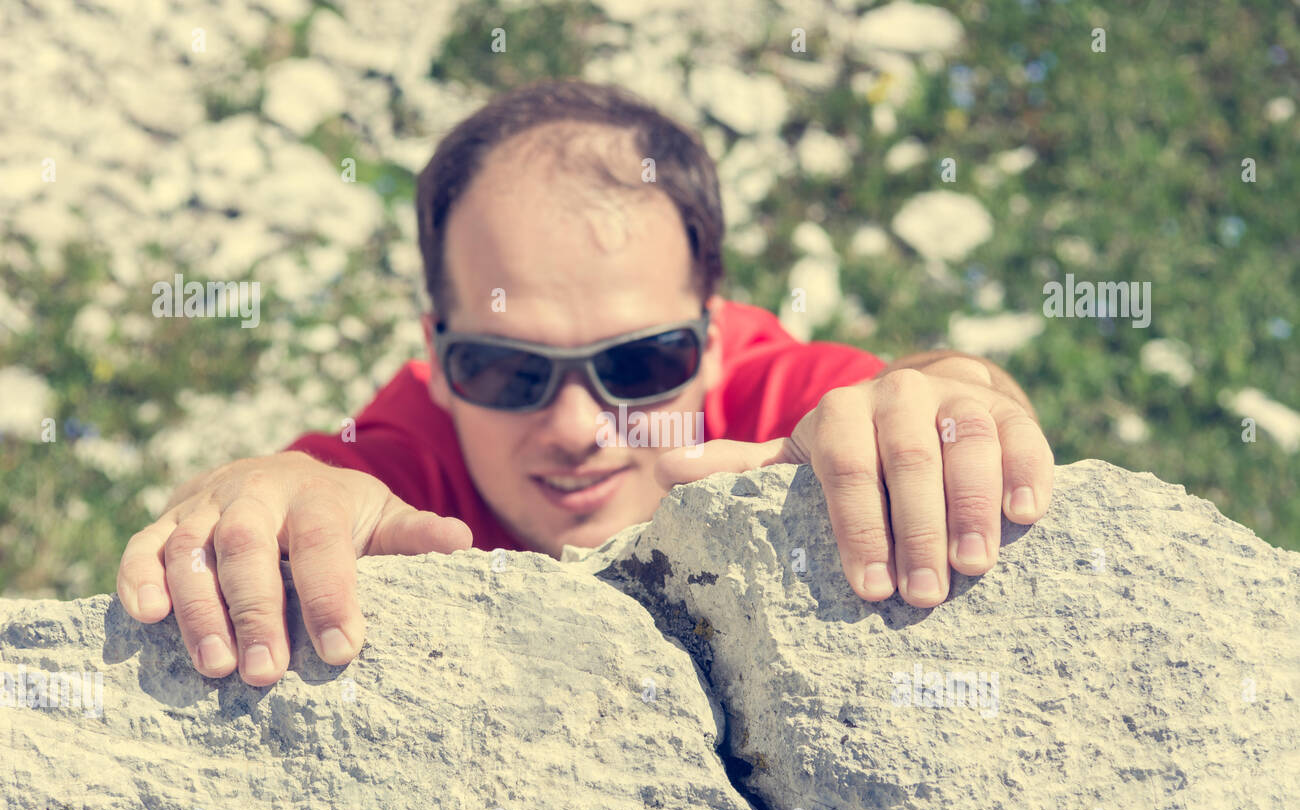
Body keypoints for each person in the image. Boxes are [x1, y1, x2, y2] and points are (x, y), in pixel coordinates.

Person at [116, 79, 1053, 687]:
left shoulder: (782, 414)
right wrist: (243, 501)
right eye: (503, 367)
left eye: (641, 364)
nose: (575, 427)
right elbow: (293, 487)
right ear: (437, 362)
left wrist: (960, 398)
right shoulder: (402, 472)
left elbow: (909, 392)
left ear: (717, 339)